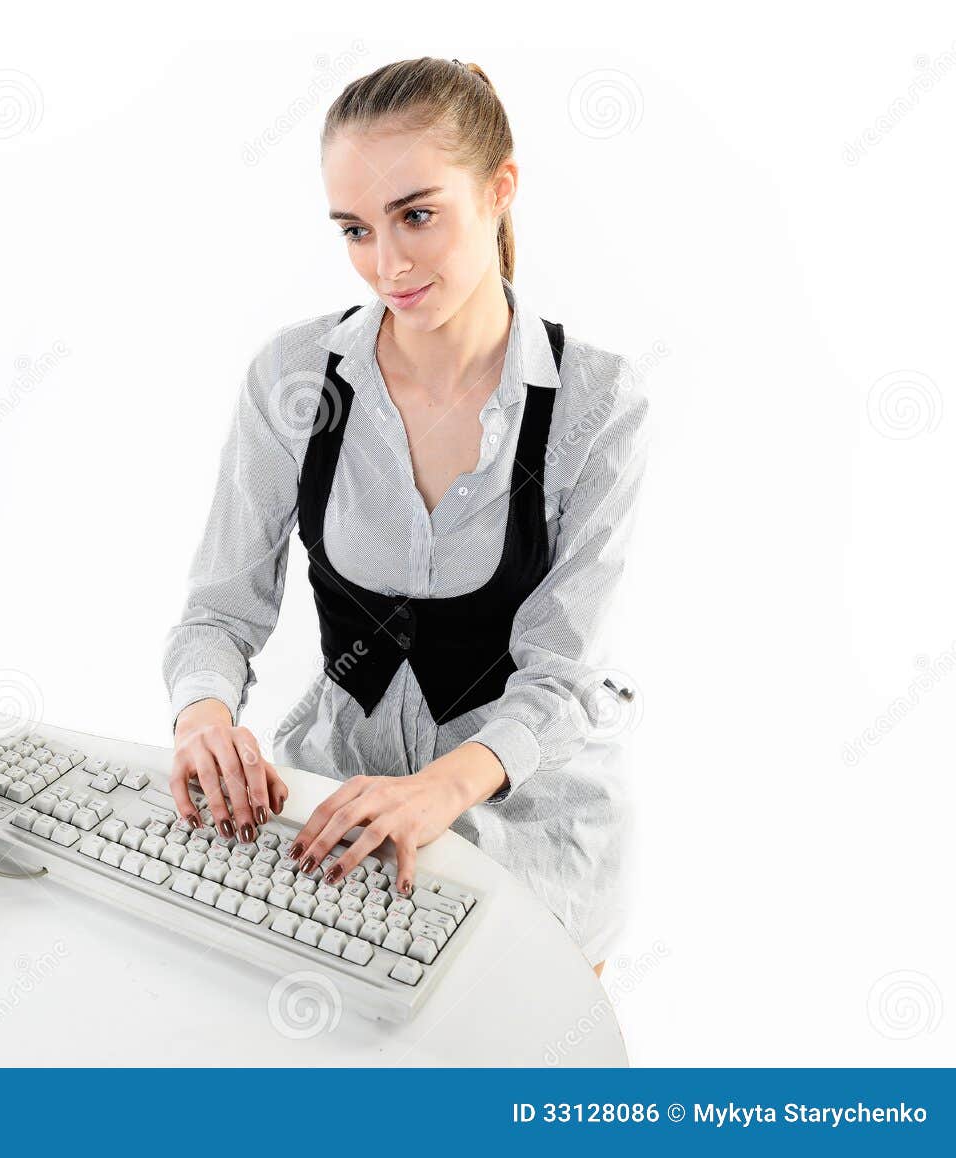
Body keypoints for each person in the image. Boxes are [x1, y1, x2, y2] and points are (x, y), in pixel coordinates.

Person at [161, 56, 649, 977]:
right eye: (355, 228)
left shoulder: (597, 402)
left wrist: (438, 792)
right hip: (343, 808)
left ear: (499, 190)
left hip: (533, 834)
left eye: (417, 215)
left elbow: (566, 676)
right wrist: (203, 719)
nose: (387, 264)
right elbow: (219, 613)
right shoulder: (295, 378)